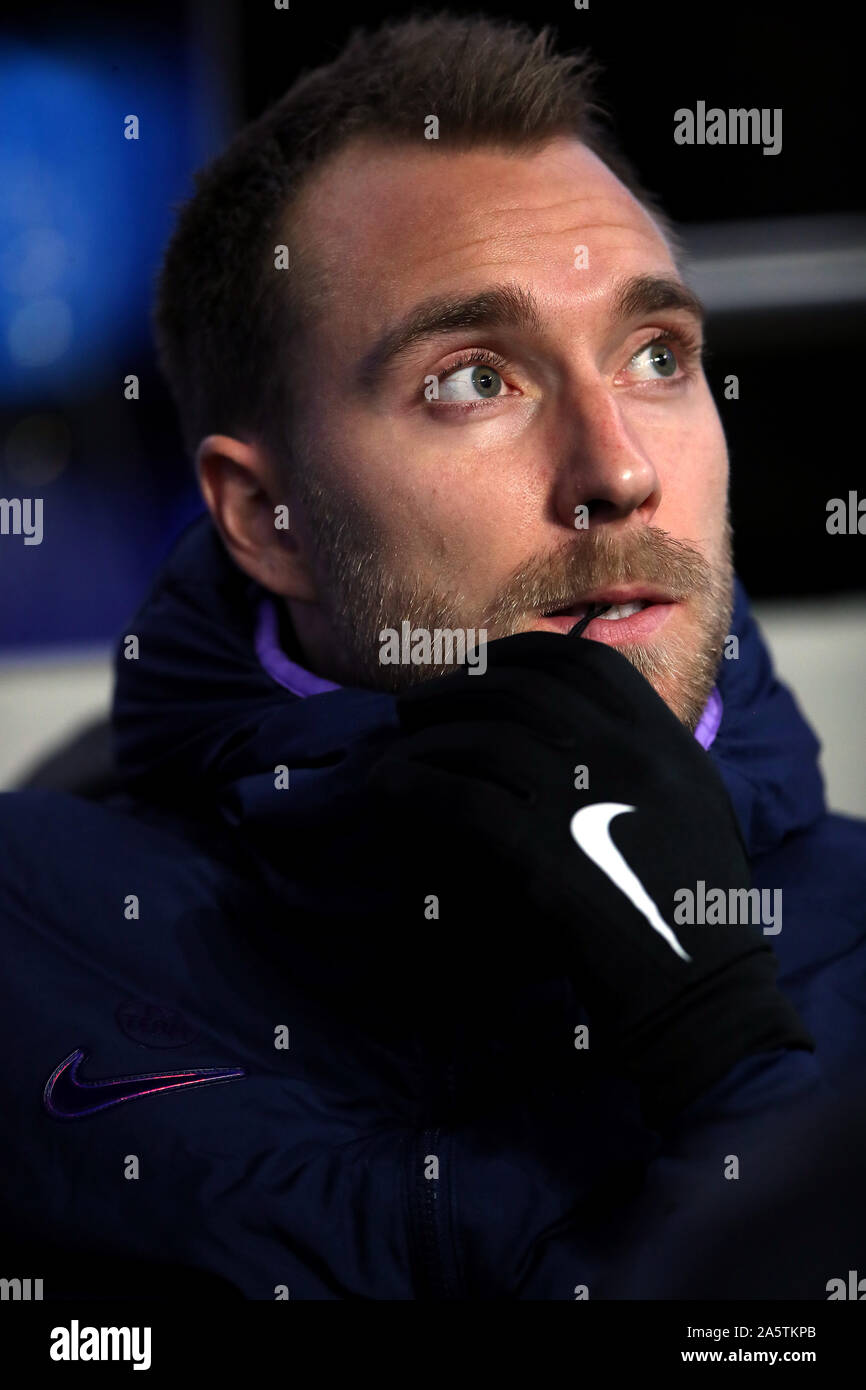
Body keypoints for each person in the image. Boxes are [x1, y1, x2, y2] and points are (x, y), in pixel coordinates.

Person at [2, 12, 864, 1301]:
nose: (620, 469)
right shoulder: (33, 939)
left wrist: (735, 1066)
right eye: (475, 382)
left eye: (655, 356)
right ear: (263, 517)